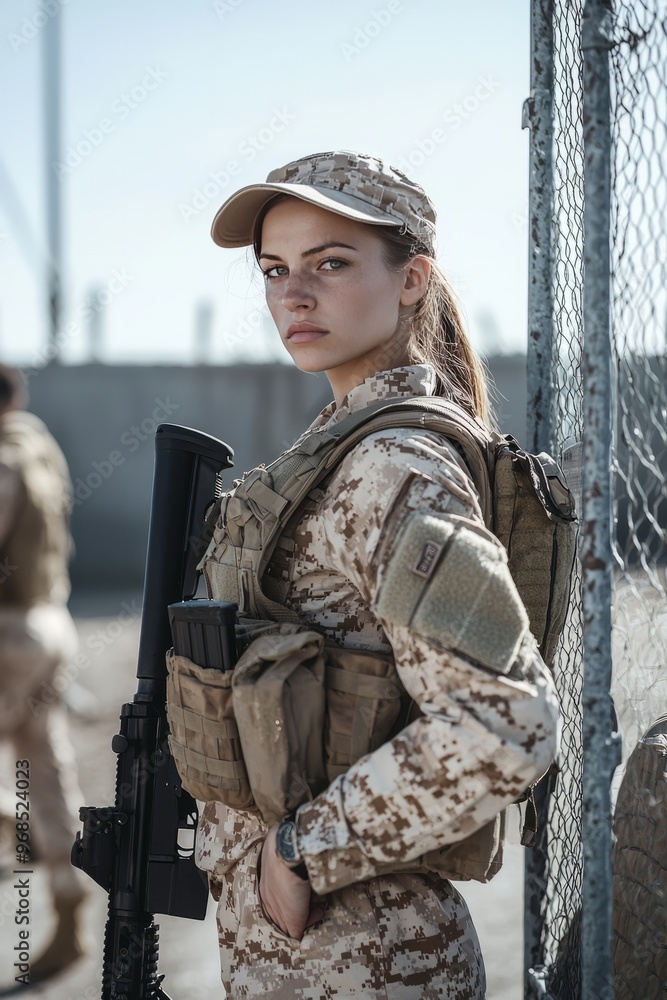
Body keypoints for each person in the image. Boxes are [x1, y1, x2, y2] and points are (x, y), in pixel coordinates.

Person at [194, 151, 561, 997]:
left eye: (329, 264)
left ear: (410, 280)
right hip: (319, 955)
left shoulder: (393, 466)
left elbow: (504, 721)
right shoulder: (342, 444)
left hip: (364, 956)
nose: (293, 295)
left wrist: (299, 853)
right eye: (275, 270)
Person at [0, 365, 87, 982]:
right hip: (50, 623)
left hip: (7, 633)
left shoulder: (3, 463)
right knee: (42, 771)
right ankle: (65, 897)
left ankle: (10, 818)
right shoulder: (40, 448)